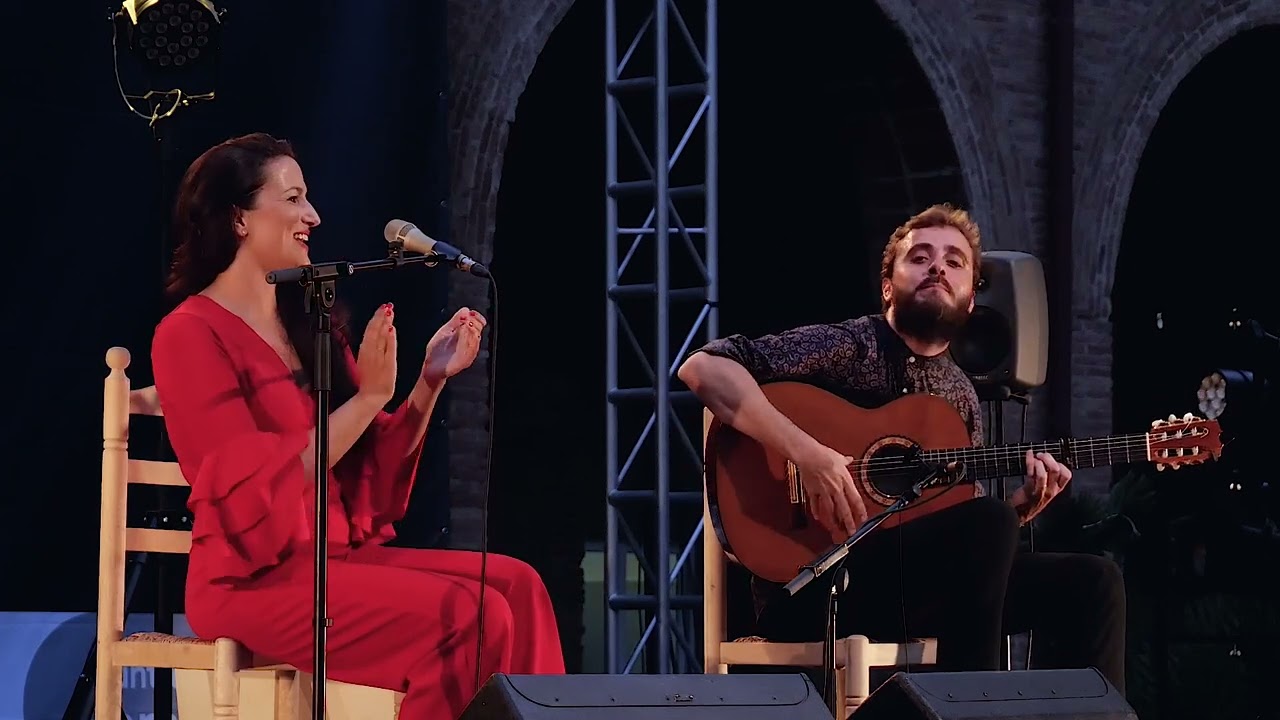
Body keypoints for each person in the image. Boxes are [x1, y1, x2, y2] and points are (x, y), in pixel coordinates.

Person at [150, 132, 565, 720]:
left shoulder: (309, 322)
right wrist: (368, 398)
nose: (312, 216)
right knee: (472, 616)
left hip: (336, 561)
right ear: (238, 217)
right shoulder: (189, 334)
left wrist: (427, 382)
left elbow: (369, 474)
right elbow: (251, 496)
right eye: (292, 199)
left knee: (518, 585)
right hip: (253, 581)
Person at [678, 204, 1126, 693]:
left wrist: (1019, 512)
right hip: (818, 583)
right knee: (991, 521)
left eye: (955, 262)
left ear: (971, 300)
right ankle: (968, 707)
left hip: (913, 592)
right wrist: (809, 455)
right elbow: (703, 368)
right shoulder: (853, 346)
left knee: (1094, 582)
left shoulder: (960, 395)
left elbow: (956, 532)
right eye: (921, 257)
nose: (938, 266)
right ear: (888, 286)